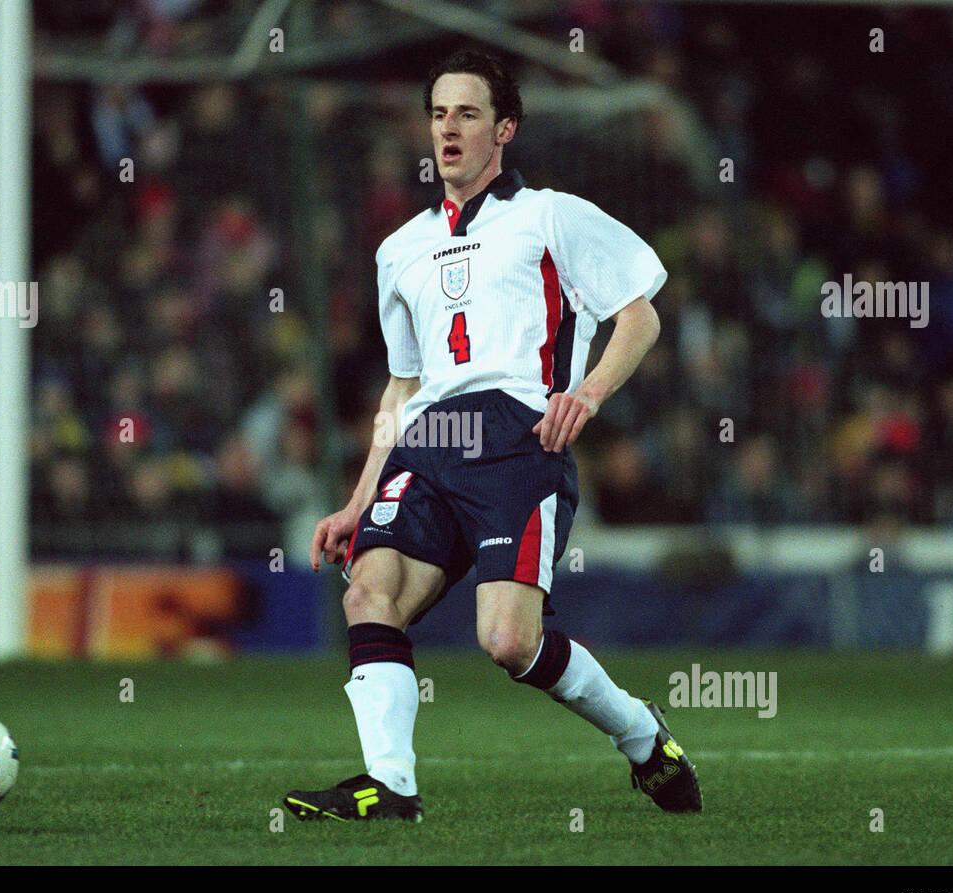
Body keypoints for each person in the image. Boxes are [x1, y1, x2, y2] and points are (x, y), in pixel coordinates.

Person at [285, 50, 701, 821]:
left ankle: (643, 736)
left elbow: (639, 315)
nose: (449, 128)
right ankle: (390, 786)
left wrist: (589, 394)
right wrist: (358, 498)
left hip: (518, 445)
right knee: (369, 593)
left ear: (504, 128)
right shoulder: (398, 249)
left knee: (508, 642)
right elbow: (403, 385)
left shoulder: (552, 216)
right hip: (429, 445)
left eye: (467, 113)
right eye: (439, 113)